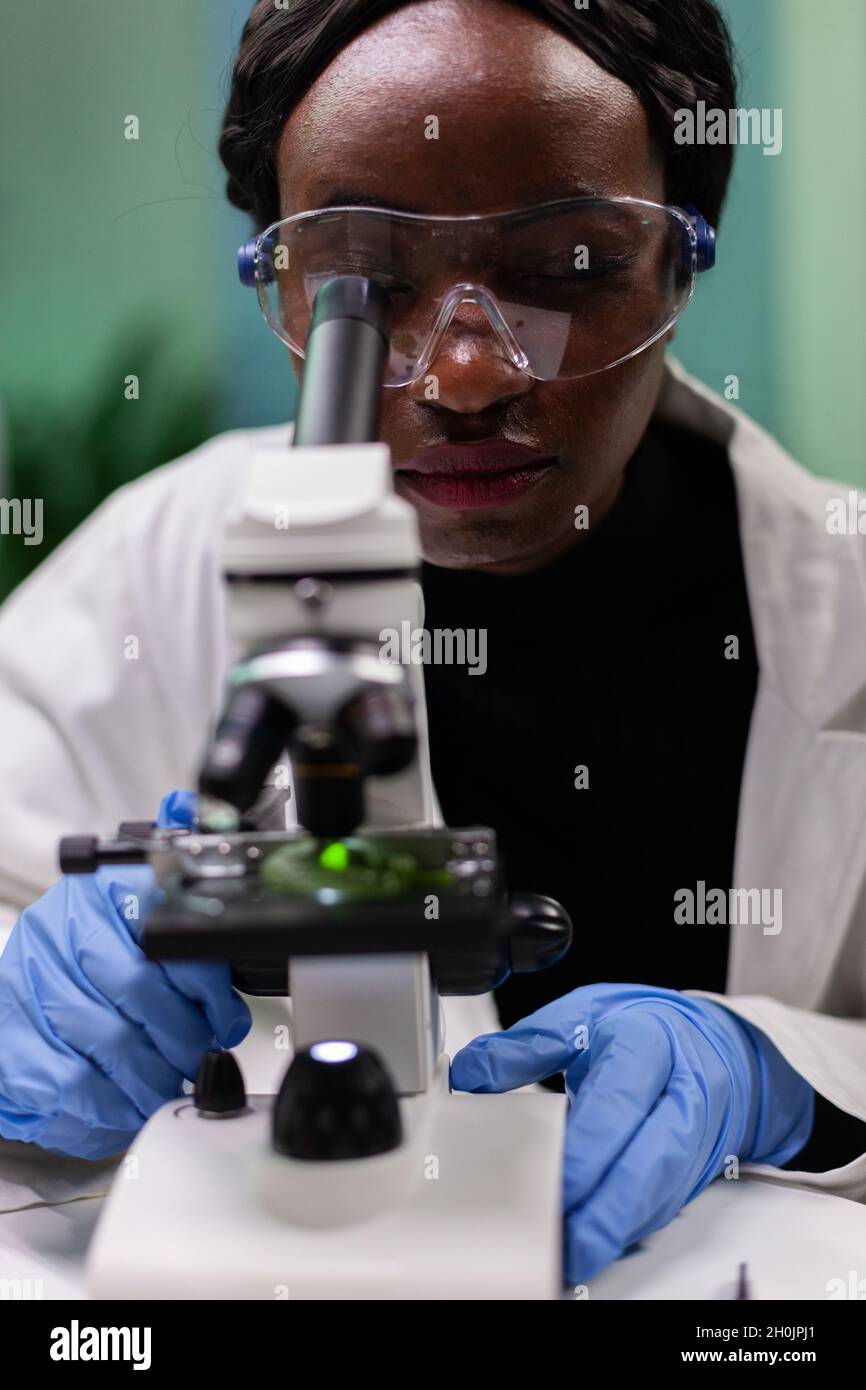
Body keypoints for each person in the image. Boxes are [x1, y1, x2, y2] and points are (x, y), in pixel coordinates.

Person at [1, 0, 865, 1287]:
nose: (464, 373)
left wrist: (790, 1076)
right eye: (366, 283)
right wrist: (29, 1020)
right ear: (280, 283)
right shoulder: (147, 570)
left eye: (566, 269)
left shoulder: (842, 604)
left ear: (678, 267)